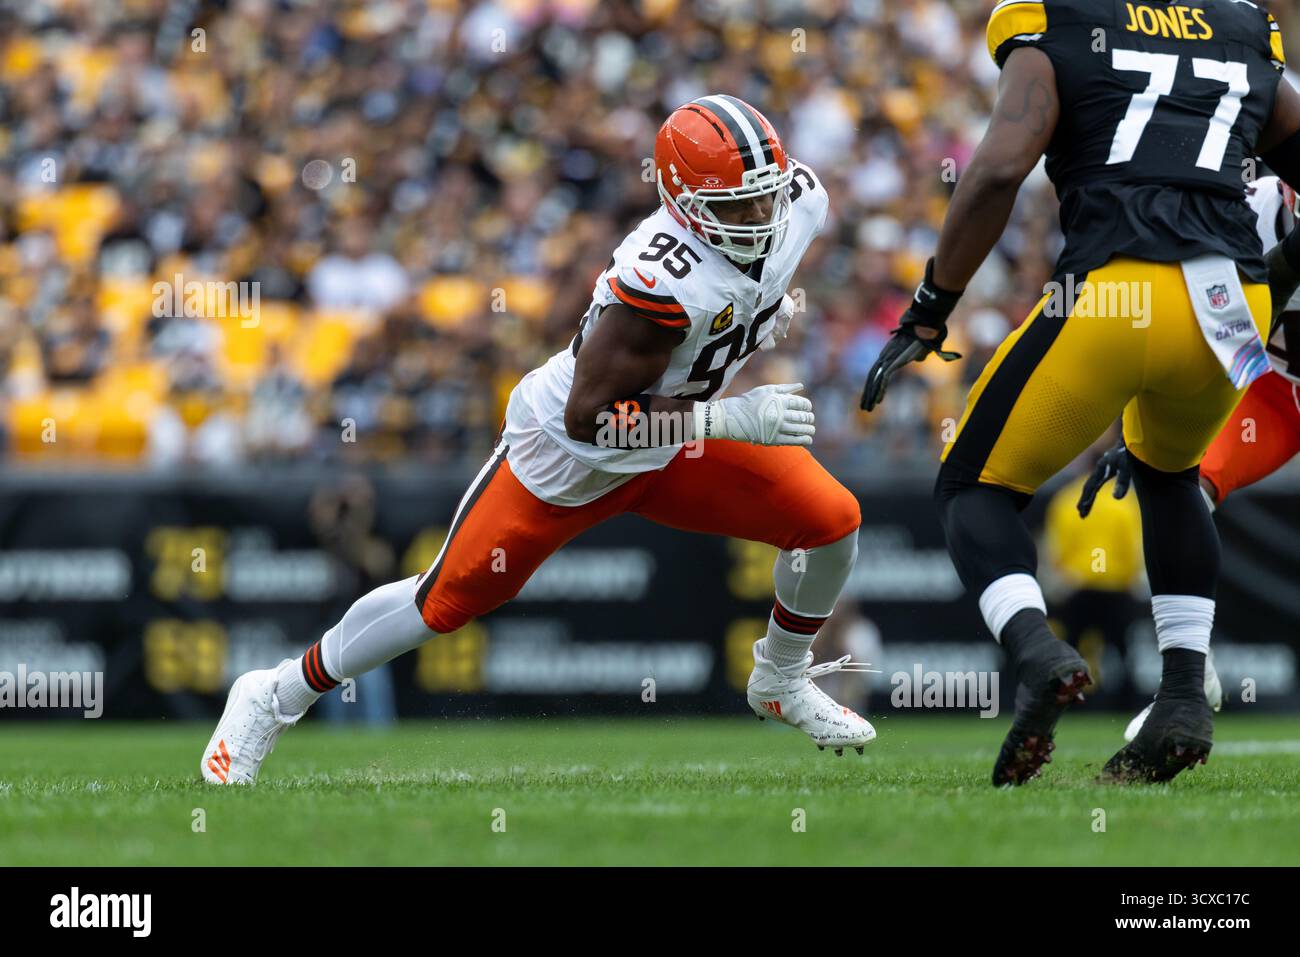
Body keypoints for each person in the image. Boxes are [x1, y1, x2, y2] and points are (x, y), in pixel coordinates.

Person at [201, 96, 873, 784]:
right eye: (737, 207)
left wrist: (764, 317)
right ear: (682, 202)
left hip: (670, 450)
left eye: (764, 200)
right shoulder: (659, 278)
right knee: (442, 602)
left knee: (830, 520)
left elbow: (750, 281)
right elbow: (597, 418)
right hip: (570, 458)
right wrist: (726, 418)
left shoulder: (796, 205)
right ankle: (275, 693)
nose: (760, 219)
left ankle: (781, 678)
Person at [861, 0, 1300, 785]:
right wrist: (1282, 267)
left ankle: (1037, 652)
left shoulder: (1051, 19)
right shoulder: (1240, 24)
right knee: (1169, 476)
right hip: (1234, 301)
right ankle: (1180, 694)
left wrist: (931, 308)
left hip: (1116, 291)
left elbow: (999, 166)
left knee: (973, 484)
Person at [1077, 174, 1299, 740]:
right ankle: (1187, 673)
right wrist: (1148, 433)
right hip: (1267, 381)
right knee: (1182, 477)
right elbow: (1217, 327)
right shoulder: (1253, 205)